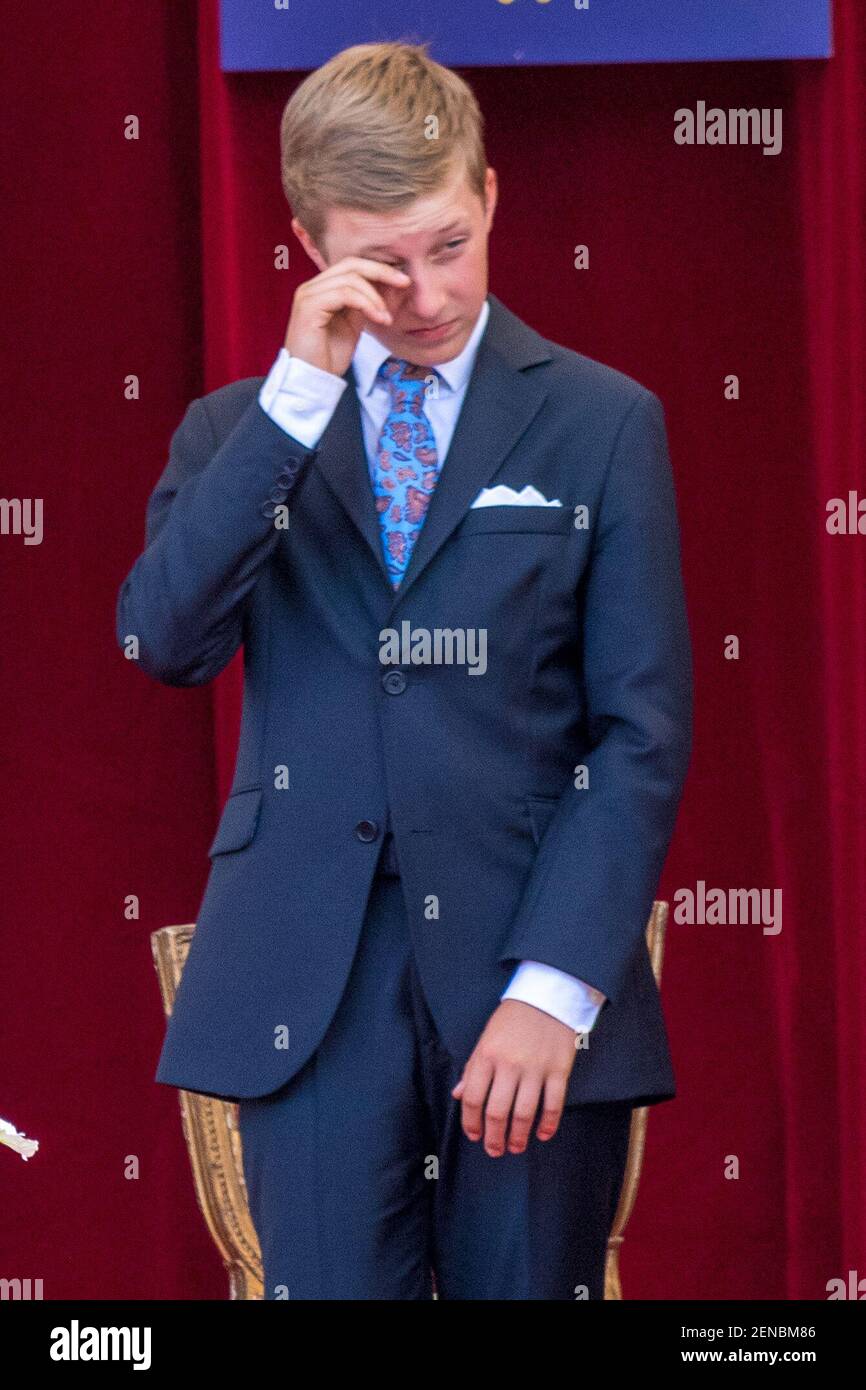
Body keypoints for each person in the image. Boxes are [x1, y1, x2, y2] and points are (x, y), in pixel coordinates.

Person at [116, 40, 692, 1300]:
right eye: (381, 261)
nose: (425, 295)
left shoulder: (603, 422)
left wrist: (555, 990)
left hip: (520, 979)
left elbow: (638, 729)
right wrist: (291, 406)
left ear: (489, 198)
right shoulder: (236, 429)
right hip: (305, 996)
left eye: (448, 244)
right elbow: (163, 641)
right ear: (308, 243)